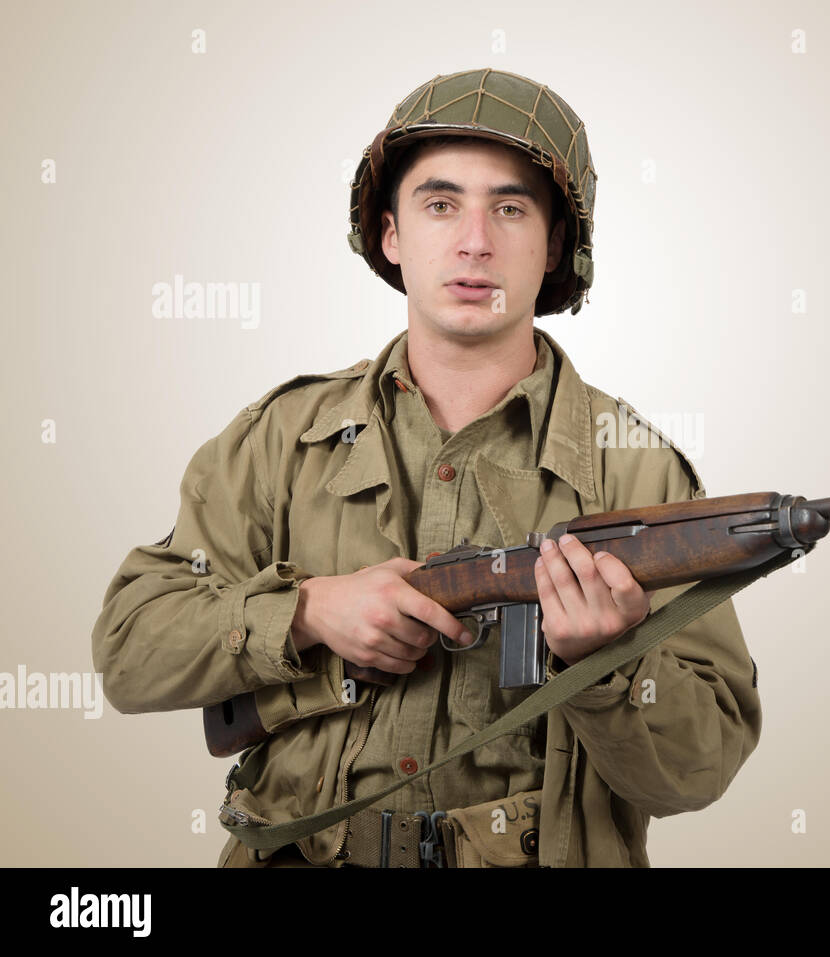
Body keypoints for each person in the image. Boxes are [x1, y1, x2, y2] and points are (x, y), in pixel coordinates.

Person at [91, 68, 761, 868]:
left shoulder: (637, 467)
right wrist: (305, 613)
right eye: (441, 204)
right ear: (391, 234)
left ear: (554, 245)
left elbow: (702, 769)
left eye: (510, 208)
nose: (475, 240)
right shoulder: (281, 438)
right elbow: (130, 649)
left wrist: (607, 665)